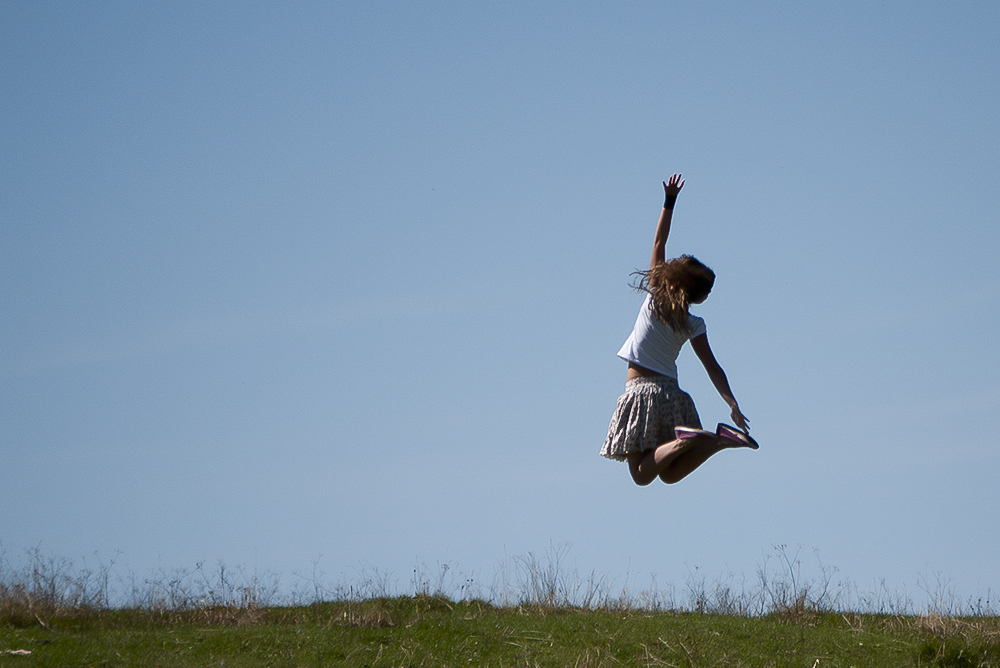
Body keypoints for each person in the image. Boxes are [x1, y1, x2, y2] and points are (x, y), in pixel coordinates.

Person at [601, 174, 757, 486]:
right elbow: (712, 366)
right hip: (672, 396)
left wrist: (669, 201)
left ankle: (686, 440)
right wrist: (732, 403)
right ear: (696, 294)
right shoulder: (693, 324)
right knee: (670, 474)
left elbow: (659, 241)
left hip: (641, 393)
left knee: (641, 476)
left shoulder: (656, 293)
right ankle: (720, 440)